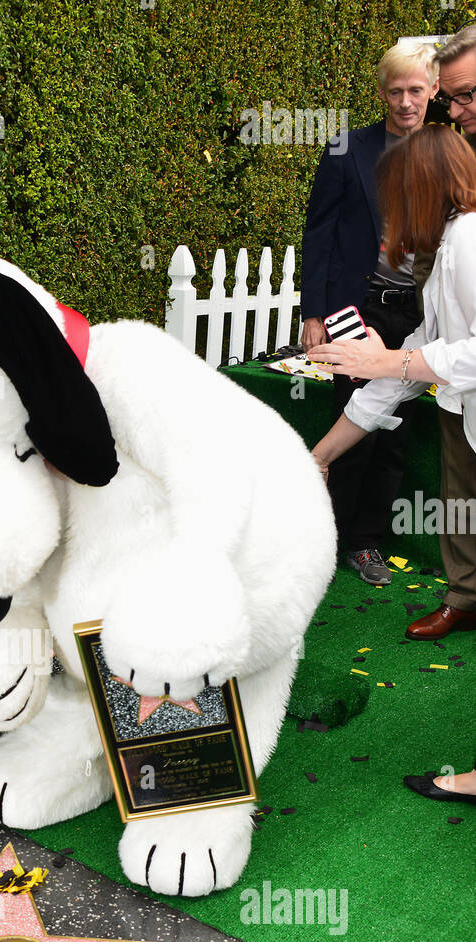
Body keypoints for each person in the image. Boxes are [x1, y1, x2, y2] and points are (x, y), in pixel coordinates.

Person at [308, 123, 476, 641]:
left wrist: (385, 364)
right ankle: (465, 599)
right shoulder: (444, 240)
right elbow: (412, 360)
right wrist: (321, 455)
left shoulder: (468, 238)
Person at [301, 42, 438, 587]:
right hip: (357, 309)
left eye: (416, 90)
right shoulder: (346, 149)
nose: (406, 102)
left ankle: (365, 543)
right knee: (355, 417)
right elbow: (319, 234)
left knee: (393, 429)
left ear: (432, 91)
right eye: (396, 91)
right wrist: (316, 313)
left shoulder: (451, 154)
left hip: (418, 315)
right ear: (382, 93)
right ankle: (327, 541)